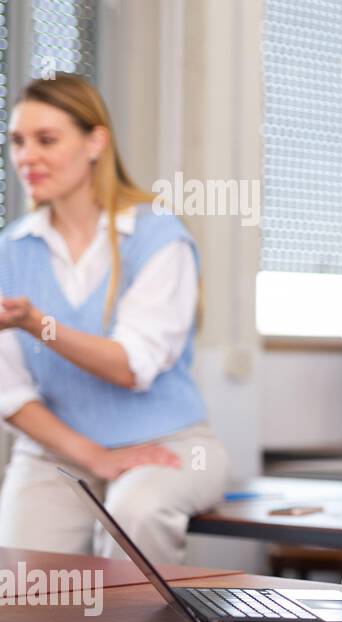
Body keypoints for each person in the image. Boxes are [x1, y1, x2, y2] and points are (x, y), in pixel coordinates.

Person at [0, 74, 228, 563]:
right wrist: (93, 457)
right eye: (17, 141)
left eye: (47, 140)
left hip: (168, 443)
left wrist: (37, 322)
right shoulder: (11, 250)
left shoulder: (158, 239)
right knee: (15, 578)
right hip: (54, 451)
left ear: (95, 141)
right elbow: (10, 392)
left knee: (135, 512)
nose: (26, 157)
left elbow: (131, 367)